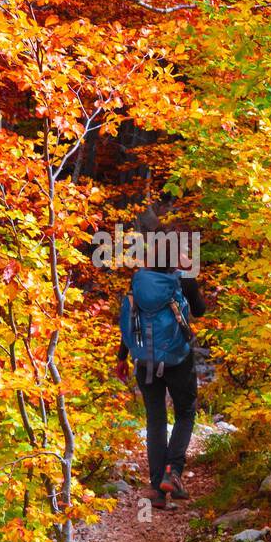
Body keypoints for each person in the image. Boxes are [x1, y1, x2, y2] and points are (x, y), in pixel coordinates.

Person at [115, 214, 206, 510]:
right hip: (178, 360)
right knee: (185, 412)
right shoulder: (184, 280)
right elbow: (201, 311)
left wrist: (122, 358)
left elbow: (132, 319)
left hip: (146, 360)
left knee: (155, 420)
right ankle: (173, 471)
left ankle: (157, 490)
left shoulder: (139, 280)